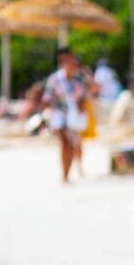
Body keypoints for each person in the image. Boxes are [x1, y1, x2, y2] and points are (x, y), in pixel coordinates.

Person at [42, 50, 91, 183]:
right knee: (66, 145)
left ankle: (68, 174)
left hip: (74, 119)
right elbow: (47, 98)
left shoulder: (79, 79)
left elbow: (86, 96)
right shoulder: (55, 79)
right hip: (60, 117)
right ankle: (65, 177)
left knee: (72, 146)